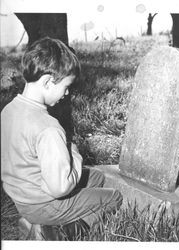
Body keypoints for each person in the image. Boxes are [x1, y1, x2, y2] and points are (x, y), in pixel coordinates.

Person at [1, 37, 123, 235]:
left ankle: (35, 223)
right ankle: (57, 233)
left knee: (97, 177)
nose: (66, 94)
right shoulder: (48, 128)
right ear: (49, 81)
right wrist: (73, 154)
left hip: (21, 196)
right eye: (66, 87)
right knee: (113, 197)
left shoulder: (8, 110)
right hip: (43, 203)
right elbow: (60, 188)